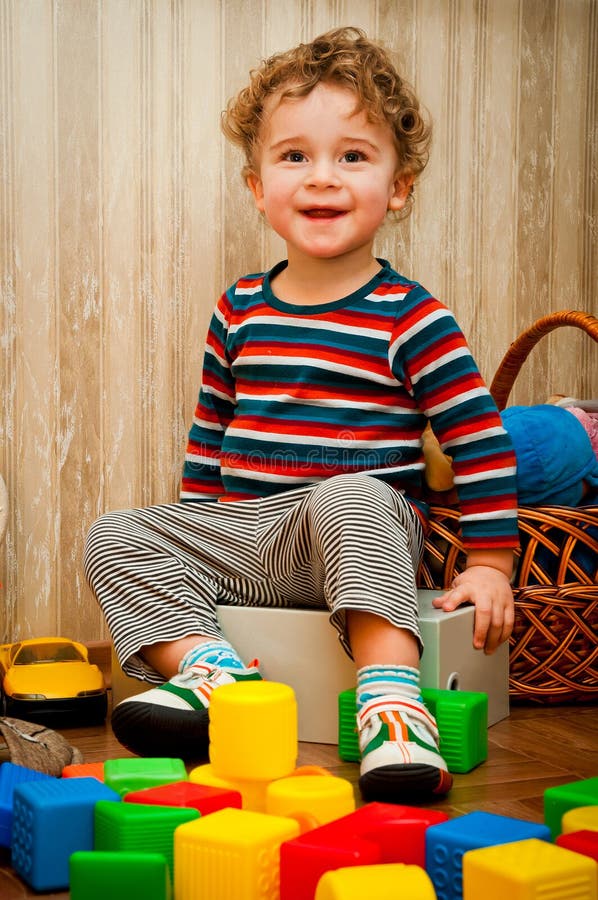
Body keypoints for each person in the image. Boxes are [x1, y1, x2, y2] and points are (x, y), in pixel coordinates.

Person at [84, 27, 519, 803]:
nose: (322, 177)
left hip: (359, 533)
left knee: (351, 497)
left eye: (353, 155)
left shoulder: (408, 316)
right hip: (255, 537)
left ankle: (391, 700)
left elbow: (478, 438)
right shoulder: (239, 309)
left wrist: (489, 563)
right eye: (295, 156)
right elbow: (210, 433)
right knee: (116, 532)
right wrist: (197, 537)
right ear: (257, 187)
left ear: (400, 186)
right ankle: (209, 673)